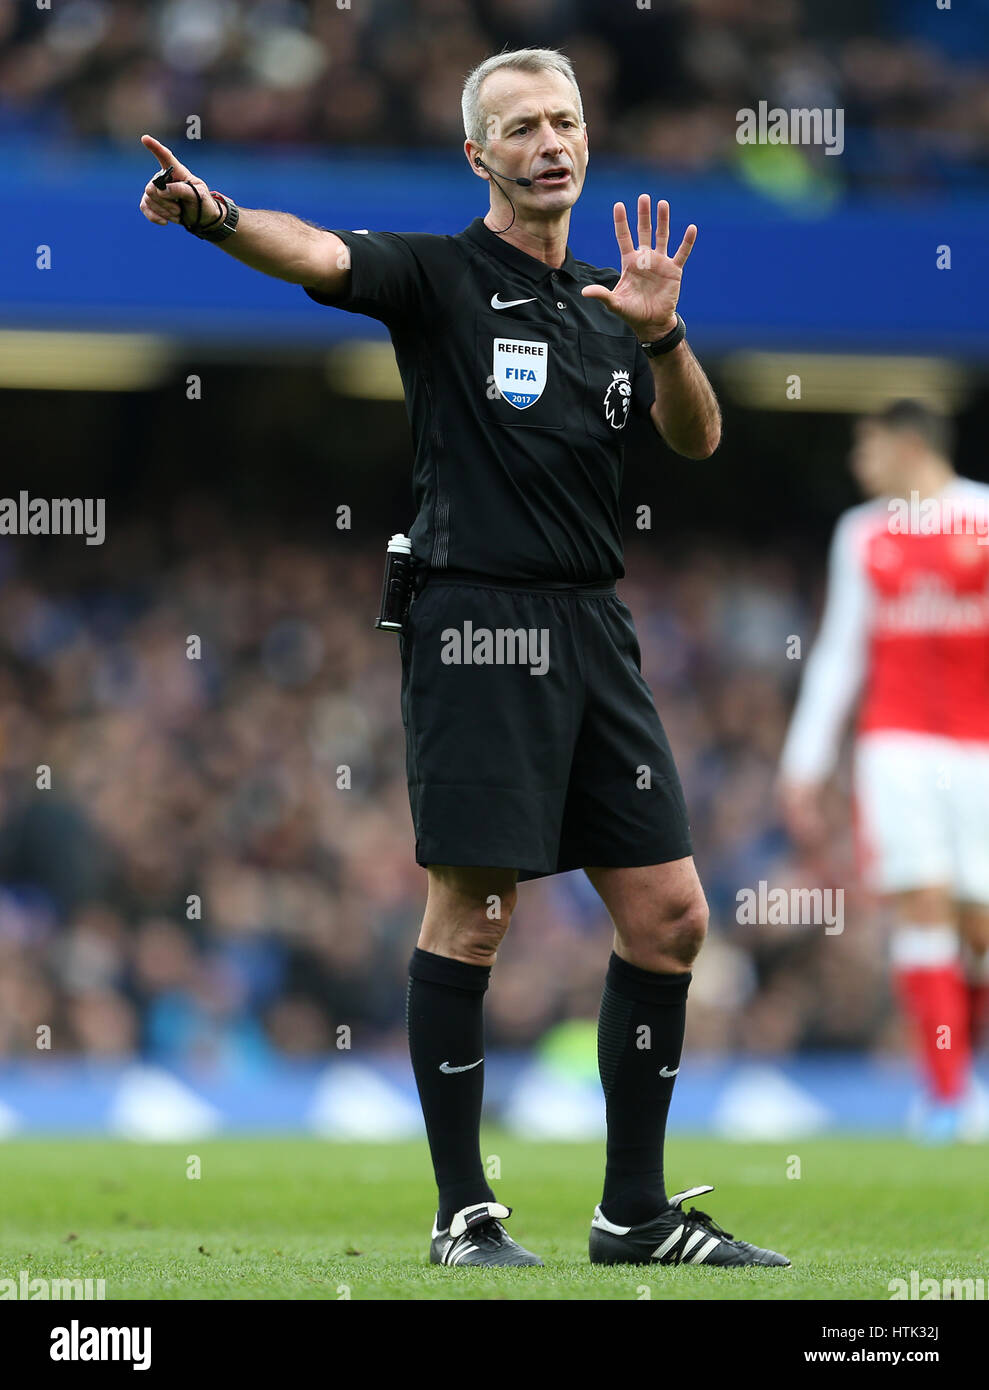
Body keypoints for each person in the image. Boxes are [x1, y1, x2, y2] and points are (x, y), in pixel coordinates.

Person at [139, 46, 788, 1269]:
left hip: (596, 626)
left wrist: (664, 338)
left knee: (671, 916)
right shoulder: (440, 278)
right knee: (475, 913)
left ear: (587, 142)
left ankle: (632, 1216)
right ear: (477, 155)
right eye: (521, 126)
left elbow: (695, 441)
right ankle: (461, 1213)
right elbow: (322, 253)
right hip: (477, 622)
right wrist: (215, 215)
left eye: (566, 121)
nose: (550, 141)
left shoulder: (613, 303)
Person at [779, 400, 989, 1143]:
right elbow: (839, 651)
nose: (857, 464)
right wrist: (802, 761)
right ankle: (944, 1094)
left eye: (867, 449)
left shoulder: (981, 517)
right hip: (895, 747)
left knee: (977, 925)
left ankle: (960, 1072)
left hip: (980, 749)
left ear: (907, 447)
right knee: (922, 903)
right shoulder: (863, 532)